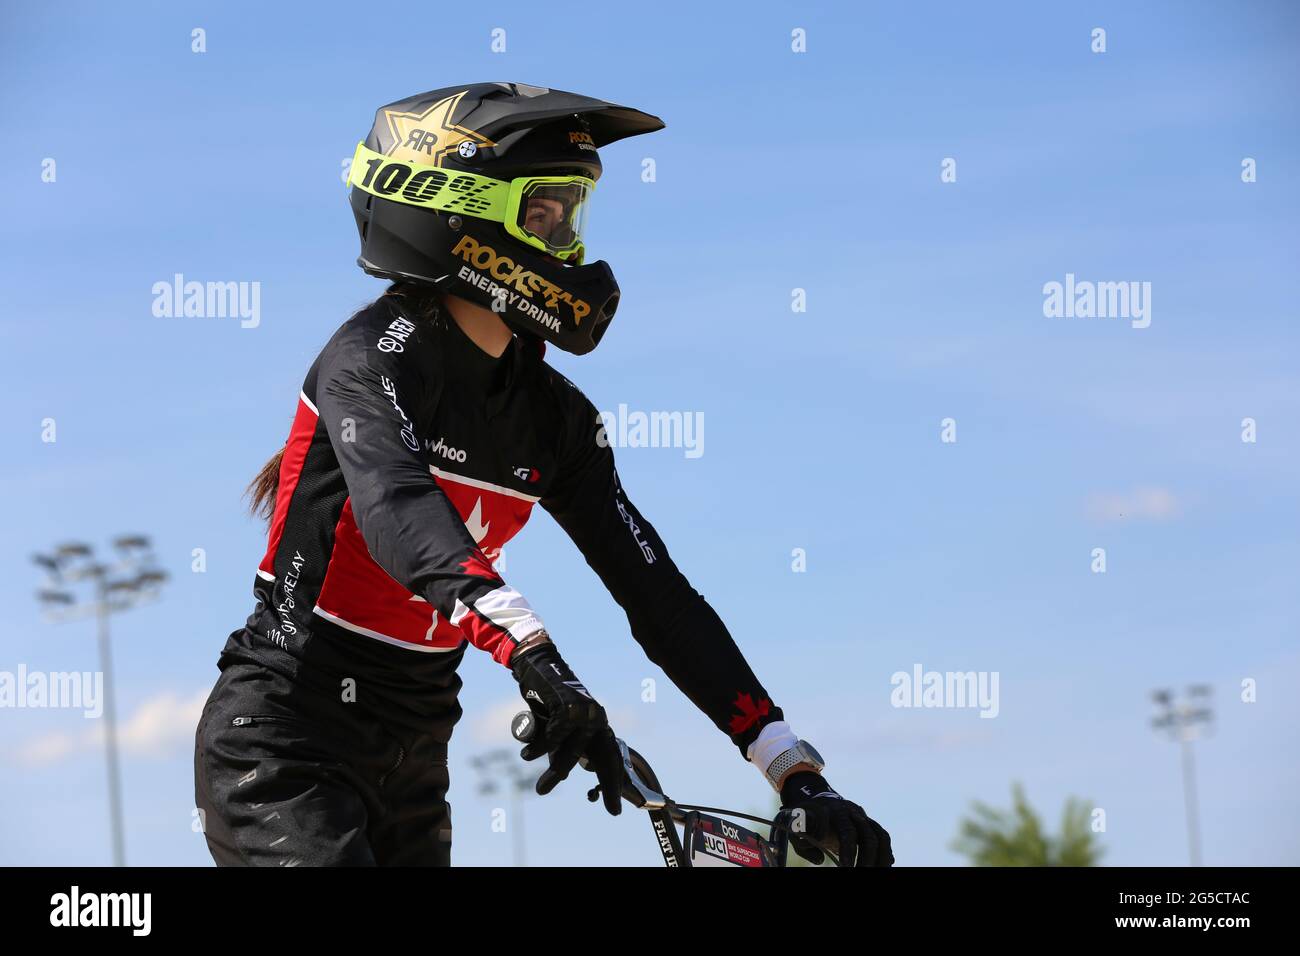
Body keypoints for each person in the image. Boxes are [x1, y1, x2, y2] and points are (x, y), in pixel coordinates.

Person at [193, 82, 893, 867]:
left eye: (573, 214)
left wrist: (792, 769)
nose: (567, 244)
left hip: (414, 759)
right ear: (453, 214)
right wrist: (535, 656)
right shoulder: (370, 358)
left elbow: (657, 593)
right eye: (544, 213)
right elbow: (398, 509)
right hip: (285, 742)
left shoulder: (556, 418)